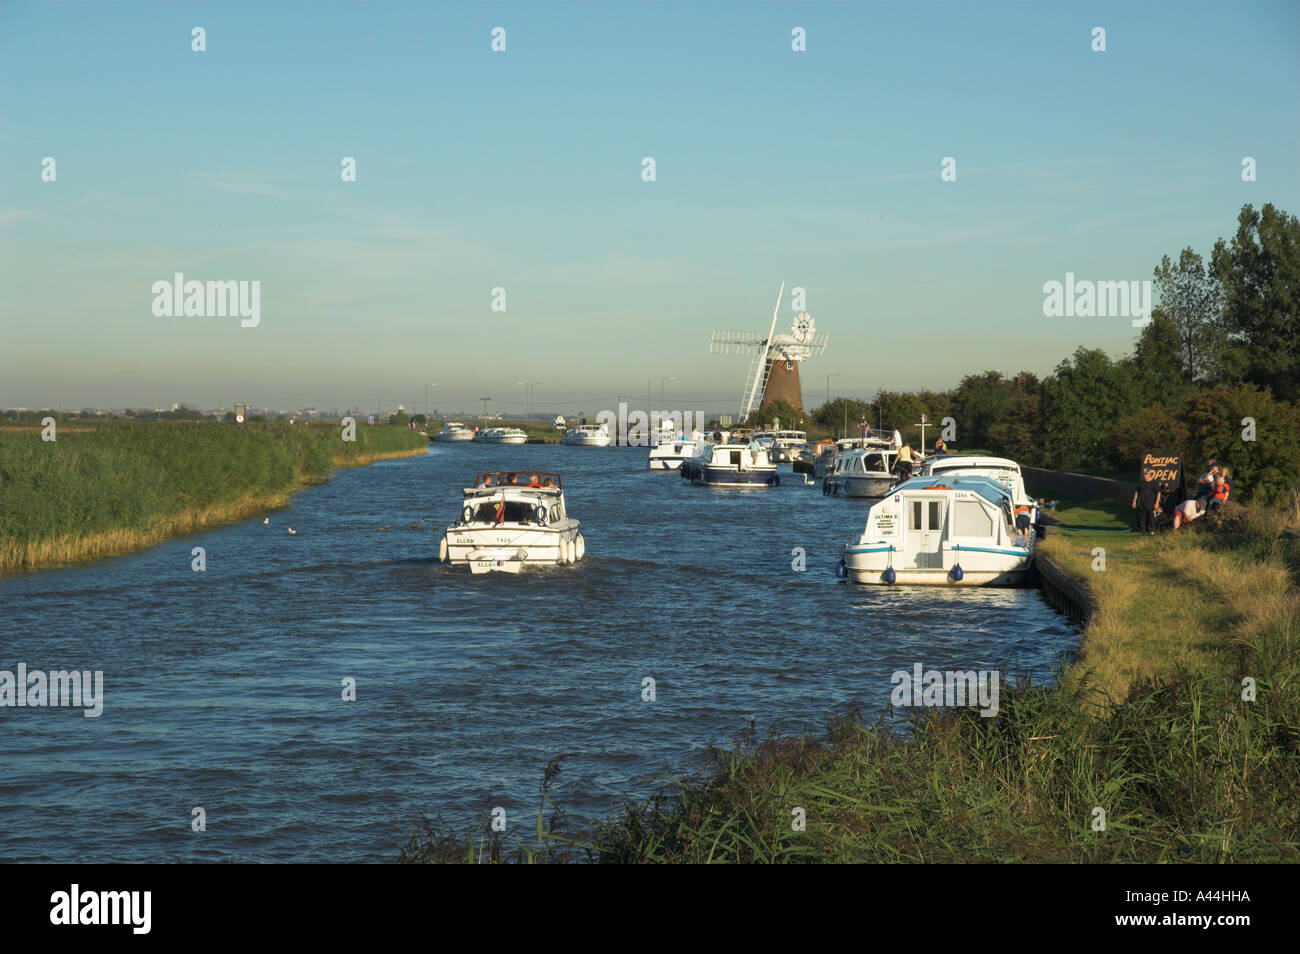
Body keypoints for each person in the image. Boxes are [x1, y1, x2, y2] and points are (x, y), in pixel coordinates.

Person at [1131, 468, 1162, 535]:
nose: (1145, 475)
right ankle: (1143, 532)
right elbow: (1137, 492)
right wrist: (1134, 501)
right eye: (1144, 474)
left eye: (1146, 474)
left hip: (1151, 504)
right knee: (1142, 518)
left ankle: (1152, 530)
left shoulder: (1154, 483)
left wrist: (1157, 503)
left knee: (1152, 517)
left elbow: (1158, 493)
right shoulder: (1141, 483)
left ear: (1150, 475)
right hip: (1142, 503)